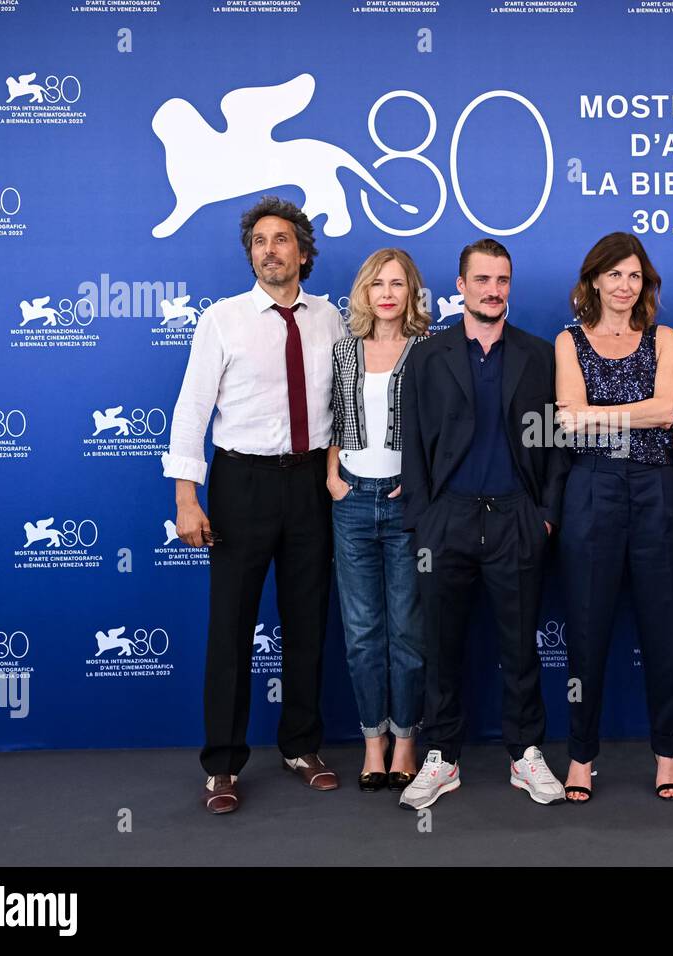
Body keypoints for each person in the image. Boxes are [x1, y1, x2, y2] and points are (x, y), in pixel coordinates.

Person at [163, 196, 346, 814]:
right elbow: (191, 409)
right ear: (251, 254)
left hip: (309, 487)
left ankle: (301, 745)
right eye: (260, 241)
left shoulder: (330, 320)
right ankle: (222, 764)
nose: (270, 250)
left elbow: (343, 405)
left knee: (307, 622)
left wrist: (334, 468)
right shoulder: (223, 319)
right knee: (232, 628)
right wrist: (187, 498)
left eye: (282, 239)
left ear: (302, 252)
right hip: (241, 485)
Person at [397, 238, 572, 810]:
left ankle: (525, 755)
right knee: (440, 647)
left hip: (515, 518)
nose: (492, 290)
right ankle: (441, 757)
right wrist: (422, 520)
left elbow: (554, 444)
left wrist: (545, 515)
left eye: (501, 280)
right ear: (461, 285)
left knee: (520, 648)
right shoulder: (427, 355)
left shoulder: (539, 355)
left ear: (509, 287)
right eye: (482, 280)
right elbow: (414, 447)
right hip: (446, 520)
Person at [554, 232, 673, 803]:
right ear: (594, 281)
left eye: (635, 276)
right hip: (591, 489)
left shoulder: (665, 338)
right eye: (614, 275)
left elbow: (667, 411)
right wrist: (635, 415)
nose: (625, 287)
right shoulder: (568, 342)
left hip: (656, 489)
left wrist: (599, 414)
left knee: (661, 628)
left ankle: (668, 754)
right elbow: (568, 424)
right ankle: (580, 758)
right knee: (586, 630)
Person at [328, 248, 429, 795]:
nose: (387, 293)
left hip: (405, 503)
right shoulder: (344, 351)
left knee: (408, 633)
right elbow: (331, 419)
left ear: (412, 292)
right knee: (363, 633)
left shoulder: (428, 351)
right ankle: (373, 744)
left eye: (398, 283)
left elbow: (443, 430)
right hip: (350, 499)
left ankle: (407, 741)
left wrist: (418, 480)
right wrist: (331, 476)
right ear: (364, 293)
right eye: (377, 284)